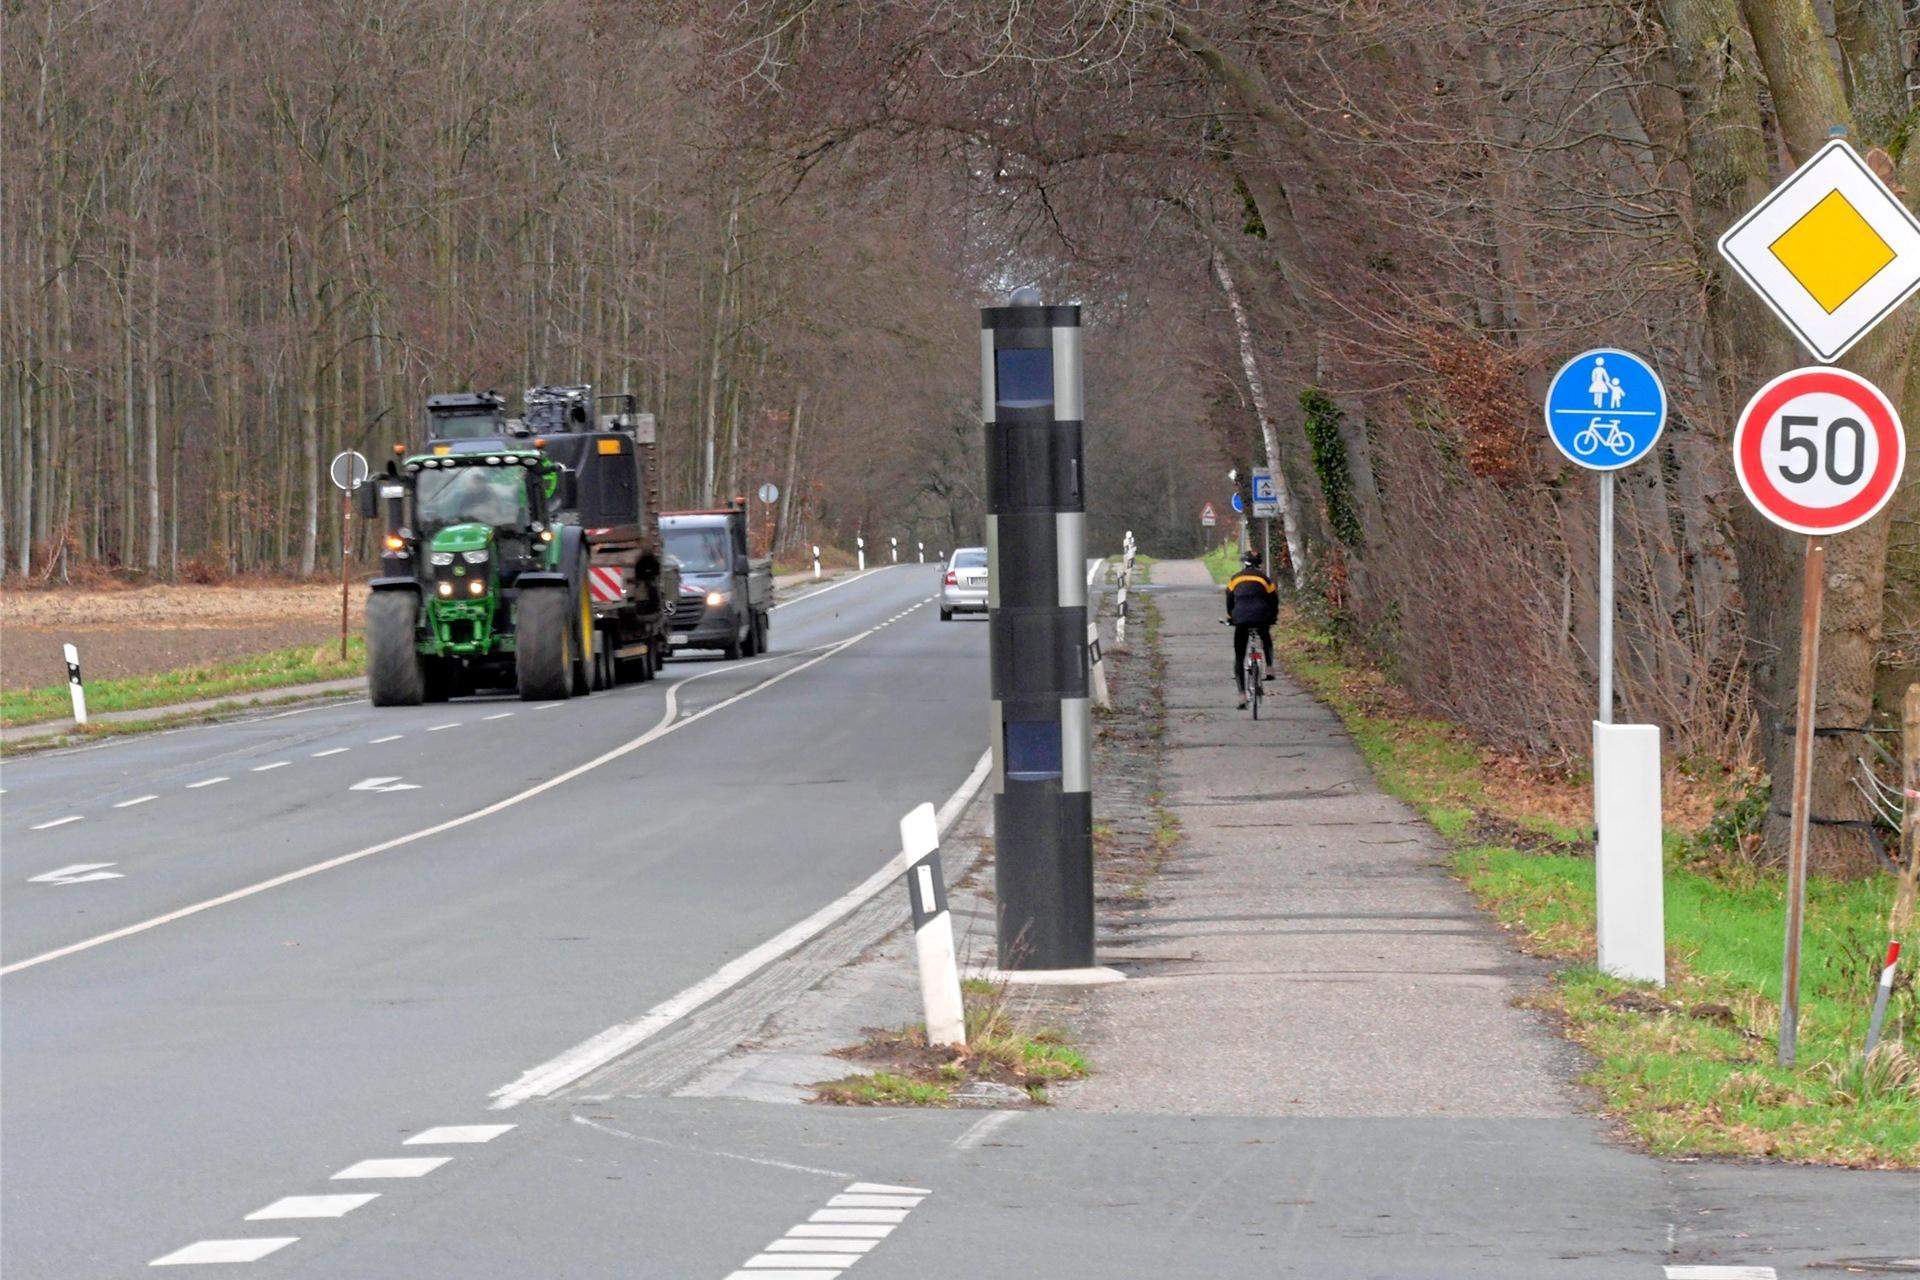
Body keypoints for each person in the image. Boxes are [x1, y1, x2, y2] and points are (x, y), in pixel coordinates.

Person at [1225, 549, 1279, 709]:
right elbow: (1274, 600)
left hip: (1240, 619)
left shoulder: (1235, 579)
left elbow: (1229, 600)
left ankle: (1242, 696)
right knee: (1265, 636)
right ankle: (1269, 668)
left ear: (1245, 563)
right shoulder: (1265, 579)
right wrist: (1273, 617)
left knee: (1239, 656)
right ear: (1259, 564)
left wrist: (1231, 617)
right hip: (1262, 617)